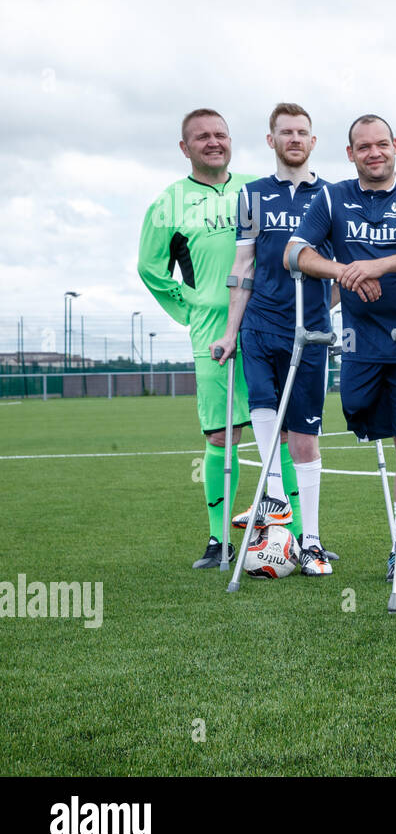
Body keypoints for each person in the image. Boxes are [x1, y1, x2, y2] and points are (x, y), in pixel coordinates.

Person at [287, 114, 396, 583]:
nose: (374, 153)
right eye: (363, 147)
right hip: (359, 345)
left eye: (382, 144)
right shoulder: (333, 196)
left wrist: (375, 267)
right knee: (358, 415)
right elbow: (294, 252)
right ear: (350, 153)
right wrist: (345, 271)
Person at [210, 102, 334, 576]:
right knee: (262, 406)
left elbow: (340, 270)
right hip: (260, 325)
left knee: (304, 436)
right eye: (286, 132)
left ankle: (314, 542)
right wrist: (229, 332)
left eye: (303, 131)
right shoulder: (253, 195)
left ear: (313, 141)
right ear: (272, 141)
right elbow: (243, 267)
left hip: (310, 330)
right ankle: (277, 501)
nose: (295, 139)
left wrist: (323, 308)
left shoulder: (331, 196)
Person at [138, 109, 256, 569]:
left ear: (231, 141)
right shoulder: (168, 203)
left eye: (220, 135)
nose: (213, 142)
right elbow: (150, 268)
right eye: (202, 137)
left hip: (265, 322)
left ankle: (299, 536)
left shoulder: (255, 187)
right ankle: (217, 540)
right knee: (221, 434)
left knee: (284, 431)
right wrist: (192, 306)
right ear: (184, 148)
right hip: (212, 330)